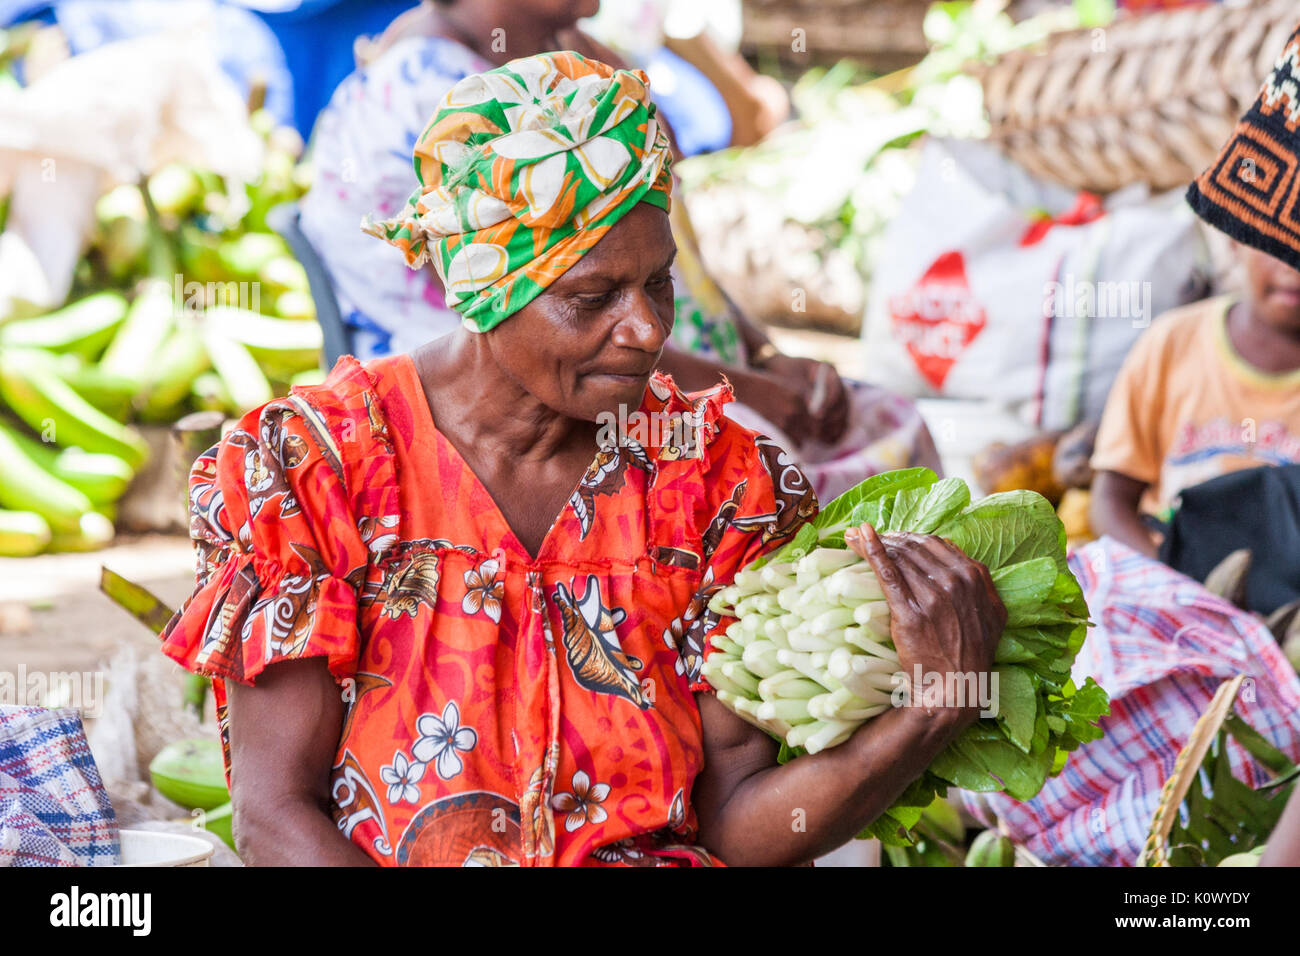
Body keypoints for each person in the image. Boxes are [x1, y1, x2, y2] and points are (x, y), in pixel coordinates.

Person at [161, 52, 1004, 866]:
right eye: (591, 298)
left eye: (659, 284)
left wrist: (927, 716)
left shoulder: (716, 480)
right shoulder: (317, 466)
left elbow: (736, 824)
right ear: (489, 295)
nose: (647, 331)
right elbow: (275, 816)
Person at [299, 0, 942, 502]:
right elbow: (565, 310)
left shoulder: (554, 66)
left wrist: (764, 353)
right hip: (544, 395)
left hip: (640, 367)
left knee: (884, 420)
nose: (646, 322)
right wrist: (754, 389)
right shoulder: (482, 104)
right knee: (763, 468)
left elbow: (655, 247)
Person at [1088, 241, 1300, 557]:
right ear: (1234, 242)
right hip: (1163, 580)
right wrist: (1168, 585)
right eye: (1277, 242)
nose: (1292, 265)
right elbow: (1110, 499)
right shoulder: (1171, 342)